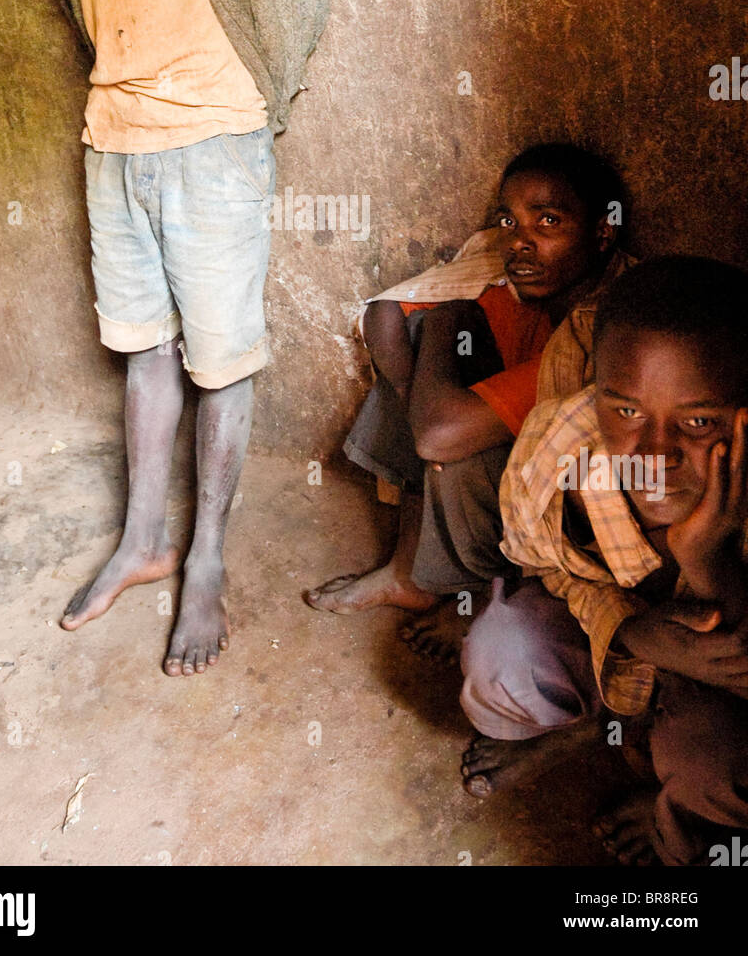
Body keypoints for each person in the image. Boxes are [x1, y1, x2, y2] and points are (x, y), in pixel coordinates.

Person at [29, 0, 328, 676]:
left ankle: (206, 562)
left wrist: (260, 107)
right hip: (113, 140)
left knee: (221, 362)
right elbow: (87, 2)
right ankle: (145, 540)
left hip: (213, 141)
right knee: (142, 350)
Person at [460, 256, 748, 866]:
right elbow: (545, 564)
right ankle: (597, 734)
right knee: (500, 652)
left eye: (699, 421)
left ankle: (674, 809)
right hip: (626, 651)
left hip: (719, 696)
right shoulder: (564, 448)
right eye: (626, 411)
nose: (654, 453)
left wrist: (707, 557)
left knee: (714, 769)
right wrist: (629, 632)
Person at [305, 143, 632, 665]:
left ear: (602, 232)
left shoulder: (598, 330)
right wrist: (419, 396)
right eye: (510, 220)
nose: (520, 242)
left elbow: (437, 436)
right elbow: (383, 314)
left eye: (548, 220)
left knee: (453, 435)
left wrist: (444, 323)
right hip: (486, 436)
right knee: (416, 352)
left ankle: (477, 596)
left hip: (577, 516)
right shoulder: (520, 276)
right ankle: (409, 573)